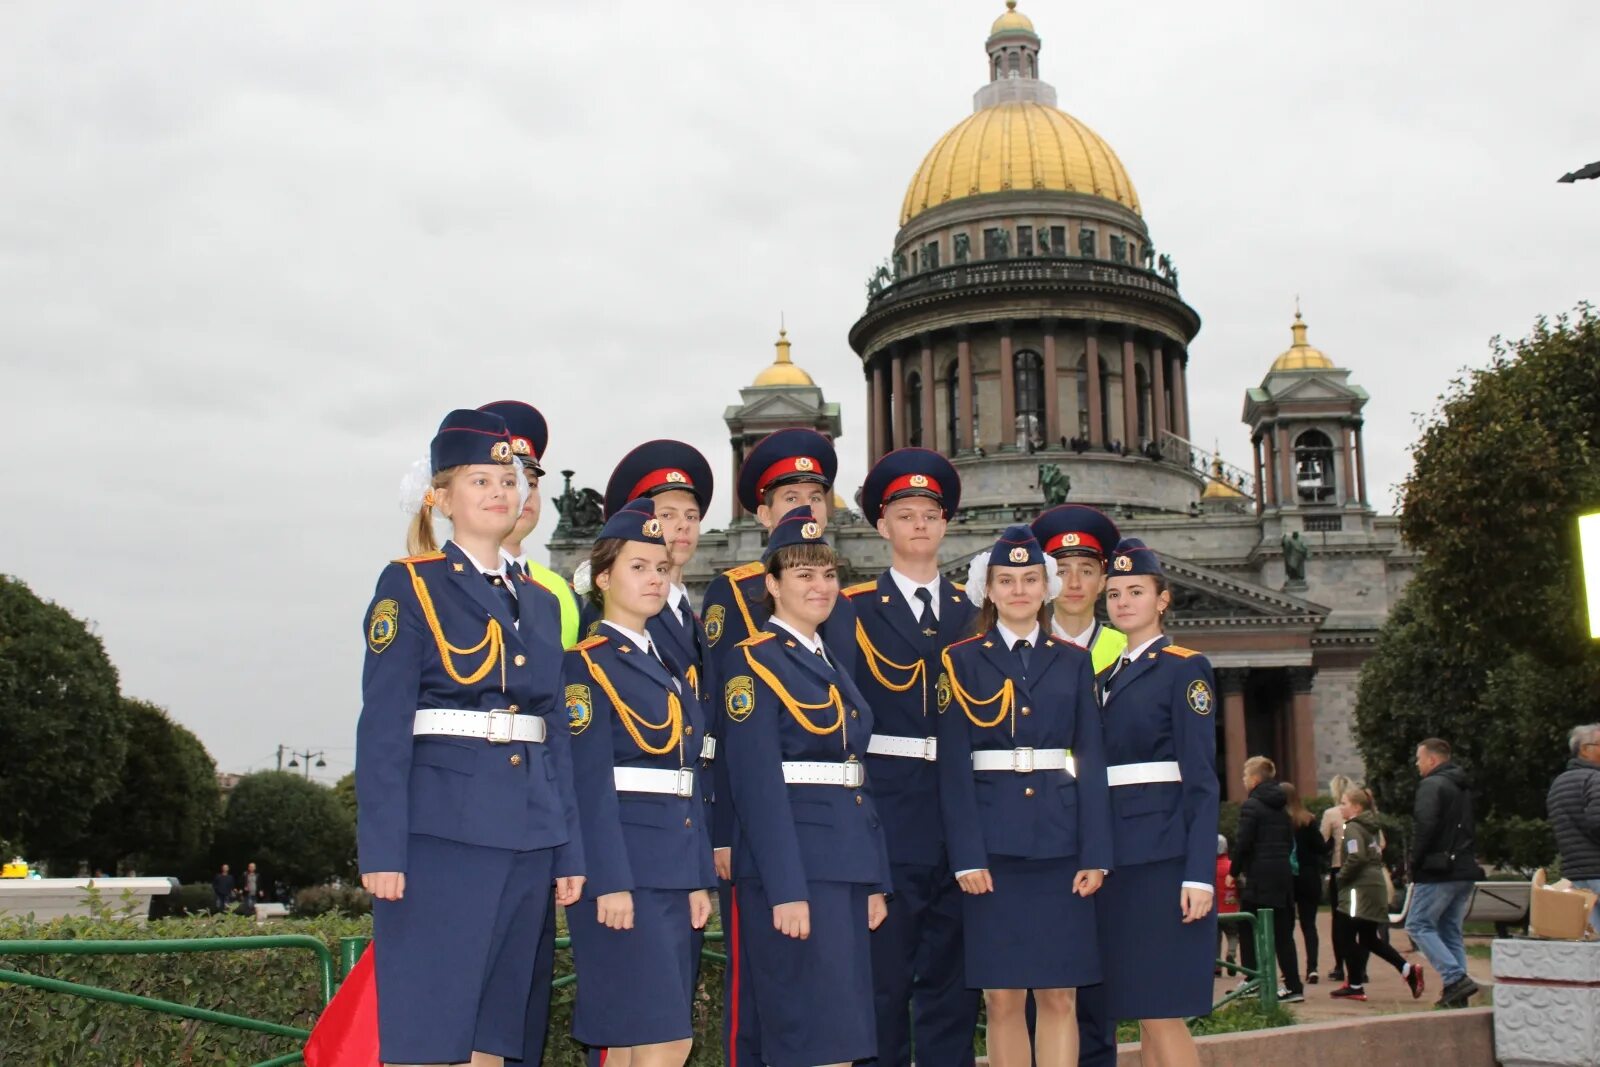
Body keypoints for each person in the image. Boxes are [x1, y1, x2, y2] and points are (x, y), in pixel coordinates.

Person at [355, 408, 585, 1067]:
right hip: (442, 837)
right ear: (441, 495)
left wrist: (567, 852)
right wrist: (382, 847)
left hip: (529, 834)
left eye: (508, 478)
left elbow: (555, 736)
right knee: (431, 1029)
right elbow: (384, 727)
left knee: (496, 1036)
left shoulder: (540, 601)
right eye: (480, 478)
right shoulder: (411, 584)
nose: (498, 490)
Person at [701, 427, 858, 1067]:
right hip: (760, 822)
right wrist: (719, 829)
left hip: (832, 830)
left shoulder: (839, 602)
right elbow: (721, 721)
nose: (805, 508)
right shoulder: (734, 593)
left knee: (830, 1010)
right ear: (761, 514)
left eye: (814, 497)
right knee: (765, 1002)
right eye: (789, 497)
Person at [721, 506, 891, 1067]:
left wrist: (874, 878)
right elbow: (757, 786)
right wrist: (787, 888)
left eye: (827, 574)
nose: (820, 587)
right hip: (797, 870)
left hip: (842, 865)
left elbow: (856, 777)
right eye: (803, 575)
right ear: (771, 585)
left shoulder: (829, 662)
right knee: (805, 1036)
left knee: (839, 1037)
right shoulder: (753, 663)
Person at [937, 526, 1111, 1067]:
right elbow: (952, 768)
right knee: (1003, 996)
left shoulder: (1074, 661)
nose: (1018, 590)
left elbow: (1093, 760)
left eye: (1030, 579)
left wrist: (1096, 853)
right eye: (1006, 580)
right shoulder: (960, 660)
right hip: (993, 851)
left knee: (1062, 994)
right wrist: (966, 855)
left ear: (1047, 588)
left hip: (1061, 849)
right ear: (987, 590)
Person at [563, 498, 715, 1066]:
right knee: (664, 1039)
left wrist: (698, 877)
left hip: (672, 872)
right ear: (603, 578)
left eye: (660, 567)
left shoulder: (667, 666)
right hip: (626, 872)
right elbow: (587, 783)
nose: (654, 578)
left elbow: (687, 779)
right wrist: (609, 881)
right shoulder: (586, 664)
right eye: (637, 567)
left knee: (636, 1042)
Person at [844, 448, 979, 1067]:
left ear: (945, 524)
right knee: (885, 980)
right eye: (905, 513)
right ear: (882, 526)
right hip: (890, 813)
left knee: (953, 983)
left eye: (931, 513)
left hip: (961, 816)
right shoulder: (852, 610)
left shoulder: (974, 614)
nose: (920, 523)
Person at [1094, 538, 1218, 1067]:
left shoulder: (1184, 668)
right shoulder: (1104, 675)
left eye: (1136, 591)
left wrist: (1199, 874)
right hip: (1118, 856)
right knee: (1143, 1007)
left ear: (1162, 599)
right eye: (1115, 593)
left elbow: (1202, 781)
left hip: (1162, 856)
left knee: (1161, 1009)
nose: (1122, 602)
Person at [1028, 504, 1126, 1066]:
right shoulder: (1019, 648)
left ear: (1103, 579)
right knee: (1039, 983)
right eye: (1061, 569)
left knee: (1098, 991)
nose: (1073, 582)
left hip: (1107, 830)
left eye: (1086, 570)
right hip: (1039, 834)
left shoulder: (1125, 650)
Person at [477, 400, 582, 649]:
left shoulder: (563, 590)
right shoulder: (433, 582)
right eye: (511, 482)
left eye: (531, 484)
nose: (524, 495)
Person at [1404, 737, 1482, 1009]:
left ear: (1432, 760)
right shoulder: (1461, 788)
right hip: (1463, 866)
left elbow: (1425, 825)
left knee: (1417, 924)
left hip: (1438, 869)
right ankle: (1457, 991)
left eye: (1419, 758)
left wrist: (1414, 862)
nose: (1417, 763)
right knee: (1449, 929)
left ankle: (1455, 978)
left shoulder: (1431, 785)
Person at [1330, 786, 1425, 1002]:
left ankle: (1355, 985)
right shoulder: (1371, 827)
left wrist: (1340, 877)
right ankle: (1406, 969)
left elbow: (1356, 857)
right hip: (1375, 885)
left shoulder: (1353, 827)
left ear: (1355, 807)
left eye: (1344, 803)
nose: (1341, 807)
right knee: (1369, 938)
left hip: (1358, 889)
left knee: (1345, 935)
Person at [1231, 757, 1303, 1003]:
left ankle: (1252, 979)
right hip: (1281, 876)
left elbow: (1243, 843)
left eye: (1244, 777)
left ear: (1254, 779)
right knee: (1283, 933)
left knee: (1247, 926)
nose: (1243, 781)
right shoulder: (1282, 808)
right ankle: (1294, 986)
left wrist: (1234, 871)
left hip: (1259, 877)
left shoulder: (1252, 806)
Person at [1546, 723, 1600, 933]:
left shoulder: (1559, 783)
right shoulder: (1595, 779)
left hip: (1576, 871)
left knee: (1591, 934)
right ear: (1586, 749)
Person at [1282, 782, 1325, 986]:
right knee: (1309, 925)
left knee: (1286, 927)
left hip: (1288, 877)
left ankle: (1288, 969)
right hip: (1309, 877)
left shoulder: (1280, 821)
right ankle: (1312, 968)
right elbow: (1320, 848)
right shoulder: (1308, 820)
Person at [1319, 773, 1354, 982]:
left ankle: (1340, 964)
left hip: (1338, 867)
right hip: (1360, 869)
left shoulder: (1331, 814)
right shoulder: (1365, 812)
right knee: (1358, 917)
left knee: (1339, 919)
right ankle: (1360, 966)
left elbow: (1322, 841)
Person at [1215, 835, 1241, 977]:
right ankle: (1231, 954)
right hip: (1231, 909)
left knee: (1215, 938)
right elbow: (1241, 884)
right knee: (1233, 935)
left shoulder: (1208, 868)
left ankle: (1217, 966)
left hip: (1214, 910)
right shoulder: (1232, 866)